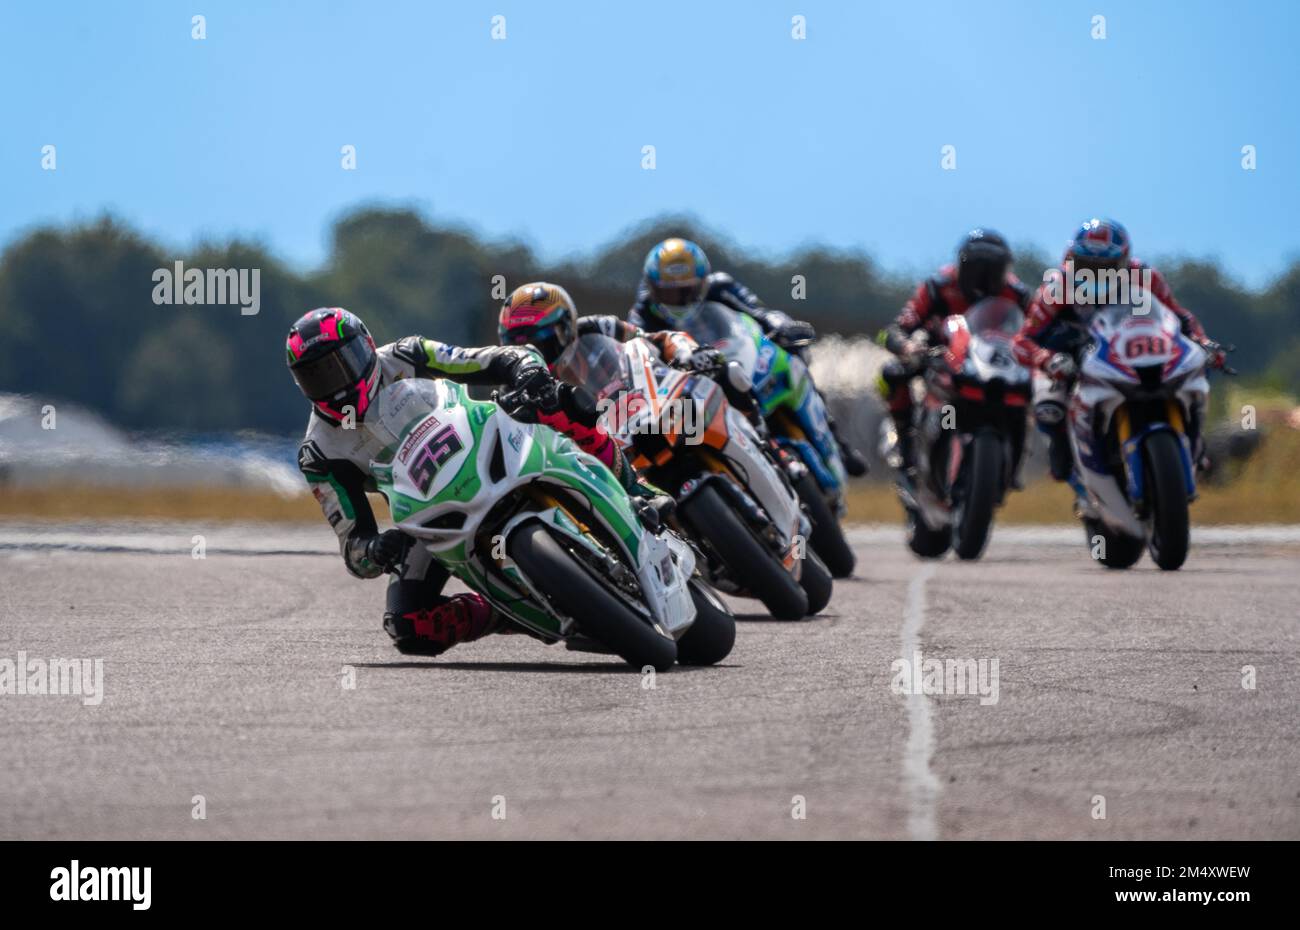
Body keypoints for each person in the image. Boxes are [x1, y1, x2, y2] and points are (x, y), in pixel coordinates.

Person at [286, 305, 634, 656]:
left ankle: (636, 492)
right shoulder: (320, 453)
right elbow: (353, 547)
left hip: (488, 440)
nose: (337, 382)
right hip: (429, 512)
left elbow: (482, 359)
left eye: (342, 362)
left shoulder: (409, 354)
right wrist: (375, 550)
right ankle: (510, 612)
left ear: (367, 345)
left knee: (559, 403)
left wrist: (522, 367)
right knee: (410, 627)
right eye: (318, 375)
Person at [629, 237, 869, 476]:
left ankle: (836, 440)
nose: (679, 300)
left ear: (702, 283)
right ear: (652, 288)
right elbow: (638, 355)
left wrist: (780, 326)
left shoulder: (721, 287)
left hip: (736, 360)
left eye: (687, 291)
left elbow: (757, 311)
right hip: (692, 385)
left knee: (794, 357)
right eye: (668, 294)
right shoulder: (641, 314)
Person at [1011, 218, 1225, 480]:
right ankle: (1066, 460)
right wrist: (1047, 359)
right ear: (1070, 261)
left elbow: (1181, 317)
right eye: (1087, 267)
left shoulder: (1146, 278)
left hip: (1130, 352)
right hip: (1068, 361)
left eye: (1107, 268)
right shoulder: (1056, 287)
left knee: (1193, 372)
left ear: (1124, 262)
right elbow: (1022, 340)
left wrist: (1202, 342)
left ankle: (1195, 444)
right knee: (1048, 407)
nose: (1097, 276)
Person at [878, 228, 1030, 472]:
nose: (984, 280)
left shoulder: (1016, 293)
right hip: (942, 356)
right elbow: (896, 328)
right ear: (962, 266)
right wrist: (908, 346)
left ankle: (1014, 461)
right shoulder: (938, 286)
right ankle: (905, 438)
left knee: (1030, 390)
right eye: (978, 270)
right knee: (892, 372)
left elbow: (1035, 330)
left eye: (993, 271)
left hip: (994, 362)